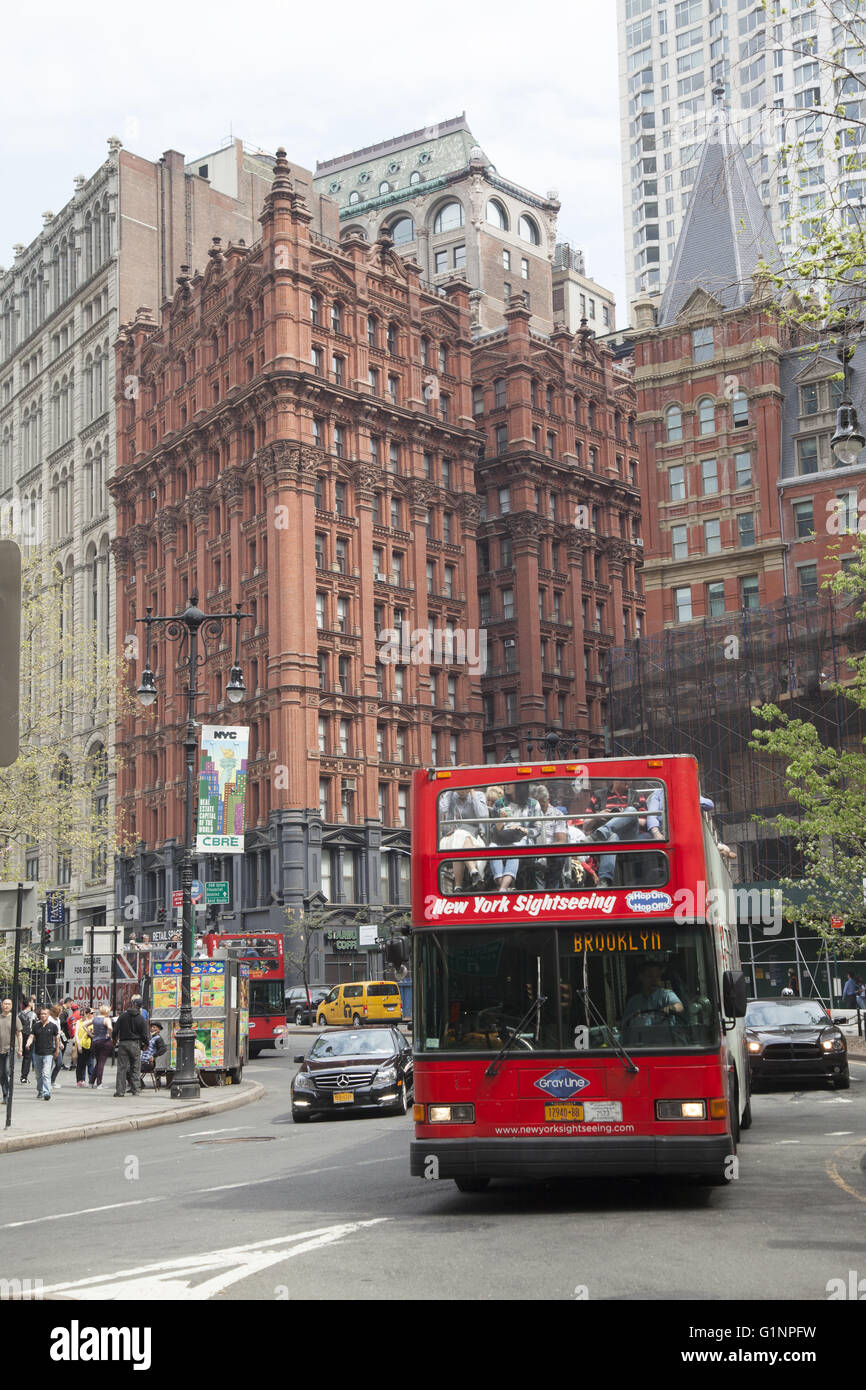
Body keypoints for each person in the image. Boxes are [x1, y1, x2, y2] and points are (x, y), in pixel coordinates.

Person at [490, 783, 542, 891]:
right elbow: (493, 829)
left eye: (511, 783)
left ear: (520, 786)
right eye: (506, 783)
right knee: (492, 847)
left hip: (523, 837)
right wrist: (501, 820)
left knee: (514, 847)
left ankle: (502, 888)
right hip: (503, 837)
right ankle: (504, 886)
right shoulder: (499, 803)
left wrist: (524, 830)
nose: (507, 785)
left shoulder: (533, 804)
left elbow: (538, 829)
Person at [621, 961, 683, 1042]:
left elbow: (679, 1006)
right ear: (641, 977)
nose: (655, 980)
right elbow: (625, 1026)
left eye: (658, 976)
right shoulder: (633, 1001)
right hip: (639, 1048)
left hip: (666, 1046)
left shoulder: (666, 995)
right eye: (650, 976)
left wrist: (671, 1008)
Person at [531, 783, 568, 889]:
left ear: (548, 800)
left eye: (542, 805)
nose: (539, 809)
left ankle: (551, 891)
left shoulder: (557, 815)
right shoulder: (531, 813)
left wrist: (547, 849)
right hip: (532, 849)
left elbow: (561, 840)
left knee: (558, 858)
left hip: (550, 850)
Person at [23, 1006, 60, 1100]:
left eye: (45, 1014)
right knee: (38, 1074)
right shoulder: (36, 1026)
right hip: (37, 1053)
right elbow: (31, 1036)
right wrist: (28, 1043)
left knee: (46, 1073)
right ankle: (40, 1090)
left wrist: (57, 1050)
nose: (42, 1016)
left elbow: (56, 1039)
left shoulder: (53, 1026)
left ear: (48, 1015)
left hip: (48, 1054)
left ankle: (46, 1092)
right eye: (41, 1014)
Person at [113, 997, 148, 1097]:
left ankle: (120, 1091)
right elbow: (144, 1034)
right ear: (140, 1007)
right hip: (135, 1044)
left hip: (123, 1043)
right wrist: (146, 1044)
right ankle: (136, 1089)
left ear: (132, 1004)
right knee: (135, 1067)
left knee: (121, 1068)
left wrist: (114, 1039)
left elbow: (115, 1030)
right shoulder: (141, 1018)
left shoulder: (123, 1016)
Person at [0, 997, 23, 1102]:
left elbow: (19, 1034)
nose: (6, 1006)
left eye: (9, 1004)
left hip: (11, 1049)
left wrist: (20, 1048)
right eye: (5, 1004)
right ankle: (5, 1094)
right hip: (0, 1050)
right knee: (2, 1074)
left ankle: (9, 1094)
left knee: (7, 1070)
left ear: (12, 1006)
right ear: (1, 1005)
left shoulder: (15, 1018)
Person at [90, 1005, 114, 1089]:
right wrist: (110, 1035)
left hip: (95, 1041)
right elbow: (110, 1028)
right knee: (101, 1062)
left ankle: (91, 1082)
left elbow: (84, 1025)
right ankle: (99, 1083)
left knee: (98, 1062)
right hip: (104, 1041)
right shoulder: (106, 1019)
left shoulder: (95, 1018)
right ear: (107, 1011)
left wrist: (91, 1035)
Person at [74, 1008, 95, 1086]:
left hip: (89, 1045)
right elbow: (76, 1034)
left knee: (90, 1063)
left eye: (84, 1014)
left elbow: (93, 1034)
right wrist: (78, 1045)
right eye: (81, 1014)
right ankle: (80, 1080)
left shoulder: (91, 1022)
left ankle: (91, 1081)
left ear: (88, 1014)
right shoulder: (78, 1022)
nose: (82, 1016)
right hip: (81, 1045)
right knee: (80, 1064)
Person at [18, 997, 37, 1083]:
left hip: (20, 1035)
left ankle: (9, 1075)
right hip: (29, 1036)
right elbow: (35, 1025)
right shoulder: (33, 1014)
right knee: (27, 1057)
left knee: (18, 1055)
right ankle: (24, 1076)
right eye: (32, 1002)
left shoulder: (19, 1014)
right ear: (29, 1003)